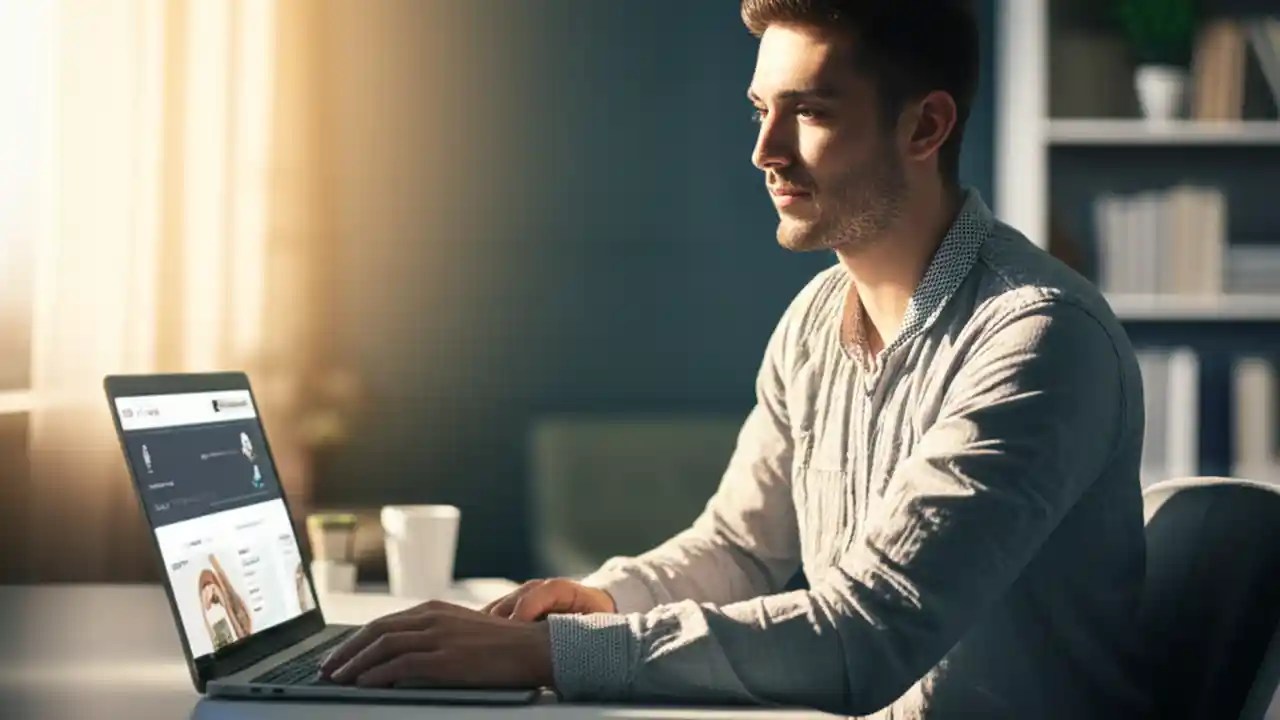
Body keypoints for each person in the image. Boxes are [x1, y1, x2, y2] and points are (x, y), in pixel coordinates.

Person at [319, 1, 1153, 716]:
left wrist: (549, 656)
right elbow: (743, 550)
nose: (766, 150)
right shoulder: (815, 319)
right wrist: (604, 602)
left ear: (925, 126)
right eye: (761, 109)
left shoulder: (1039, 338)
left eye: (811, 112)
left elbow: (866, 638)